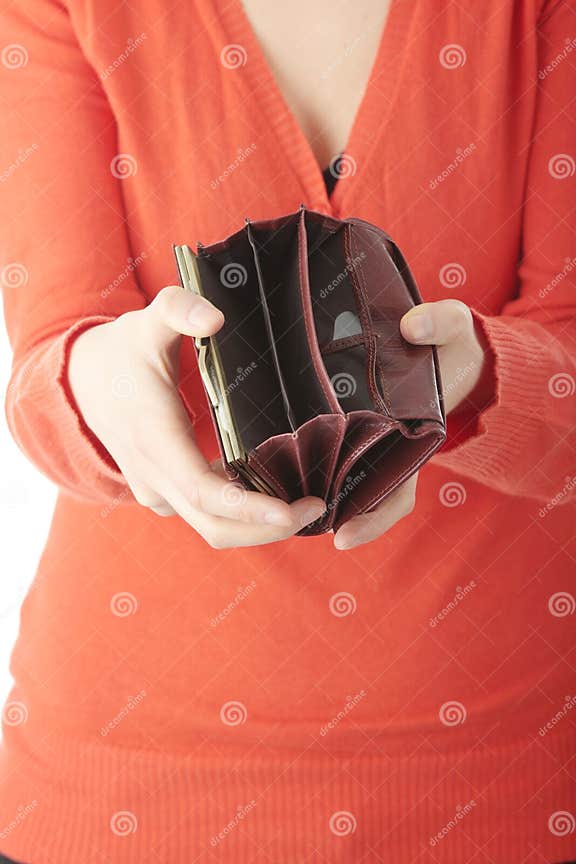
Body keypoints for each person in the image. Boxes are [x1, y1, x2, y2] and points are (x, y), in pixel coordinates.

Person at [0, 0, 574, 861]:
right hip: (125, 785)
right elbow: (47, 370)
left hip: (501, 781)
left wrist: (480, 378)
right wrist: (97, 387)